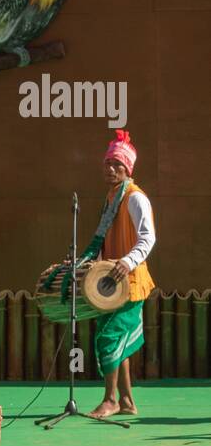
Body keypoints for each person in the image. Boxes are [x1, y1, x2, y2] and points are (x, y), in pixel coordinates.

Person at [87, 130, 156, 419]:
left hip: (130, 282)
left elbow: (148, 237)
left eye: (118, 164)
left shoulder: (134, 197)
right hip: (112, 283)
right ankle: (126, 401)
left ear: (128, 168)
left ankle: (110, 399)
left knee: (109, 338)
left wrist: (128, 261)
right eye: (108, 164)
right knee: (120, 342)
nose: (112, 169)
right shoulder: (112, 197)